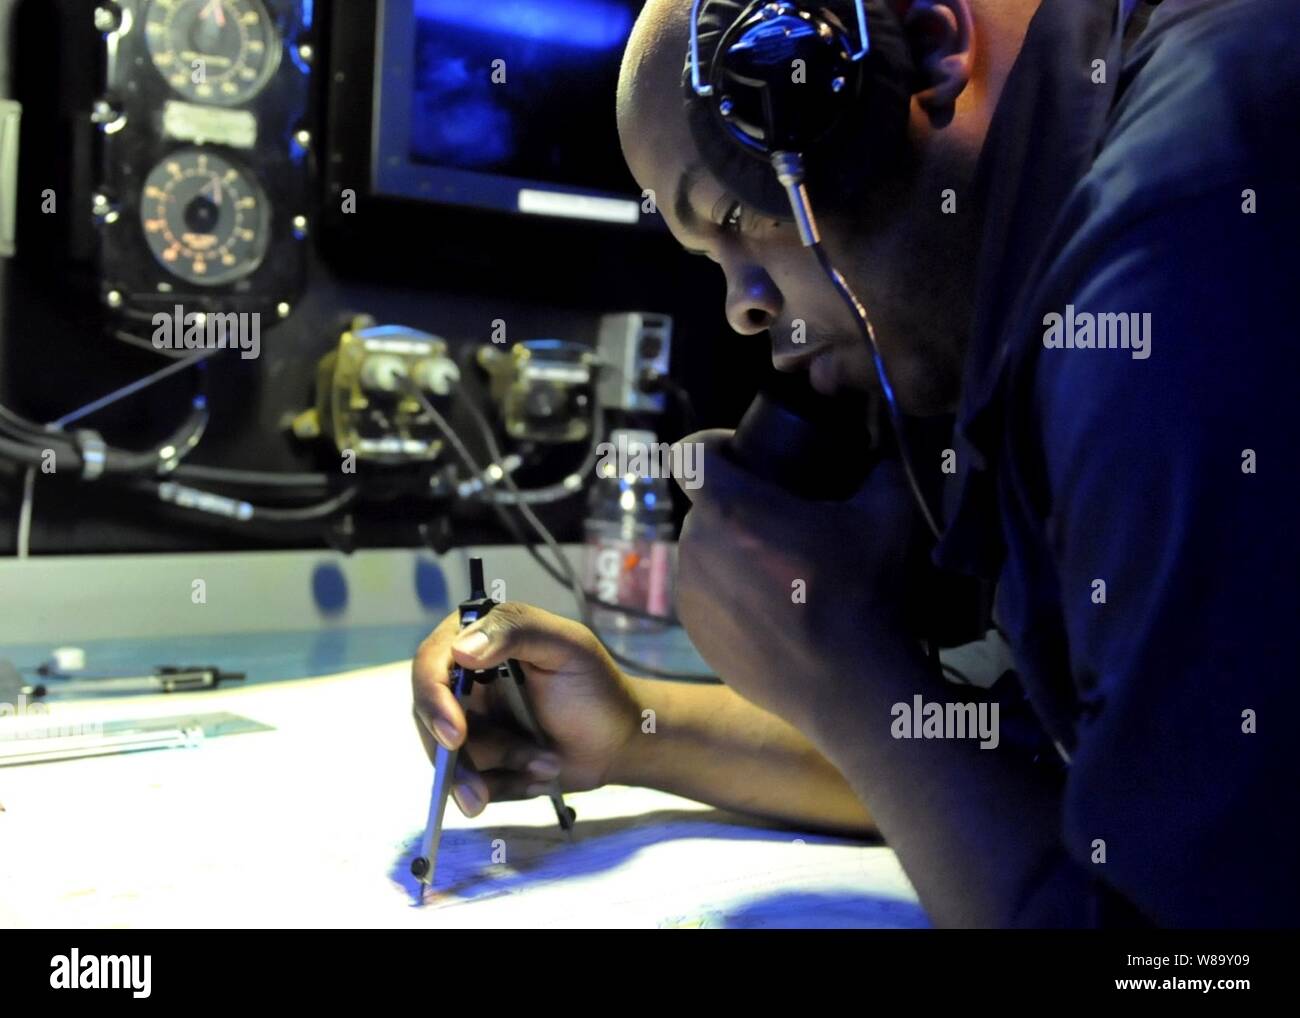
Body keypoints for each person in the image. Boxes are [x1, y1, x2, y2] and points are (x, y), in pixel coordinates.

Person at [411, 0, 1299, 927]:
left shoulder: (1174, 258)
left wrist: (845, 659)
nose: (742, 309)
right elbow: (1034, 768)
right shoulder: (1041, 294)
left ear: (927, 45)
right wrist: (639, 726)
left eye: (732, 211)